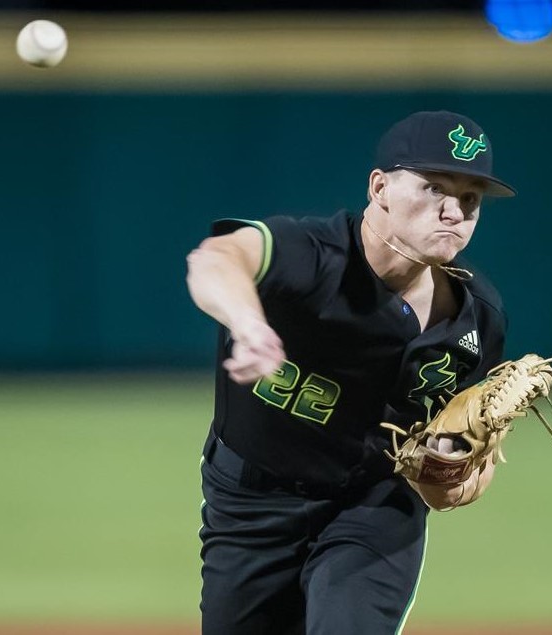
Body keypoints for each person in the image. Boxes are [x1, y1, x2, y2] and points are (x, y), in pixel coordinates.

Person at [186, 110, 517, 635]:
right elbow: (216, 258)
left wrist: (458, 478)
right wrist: (248, 323)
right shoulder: (312, 255)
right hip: (252, 505)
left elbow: (472, 447)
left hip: (373, 507)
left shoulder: (475, 317)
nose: (454, 210)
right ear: (380, 187)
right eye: (434, 188)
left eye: (470, 198)